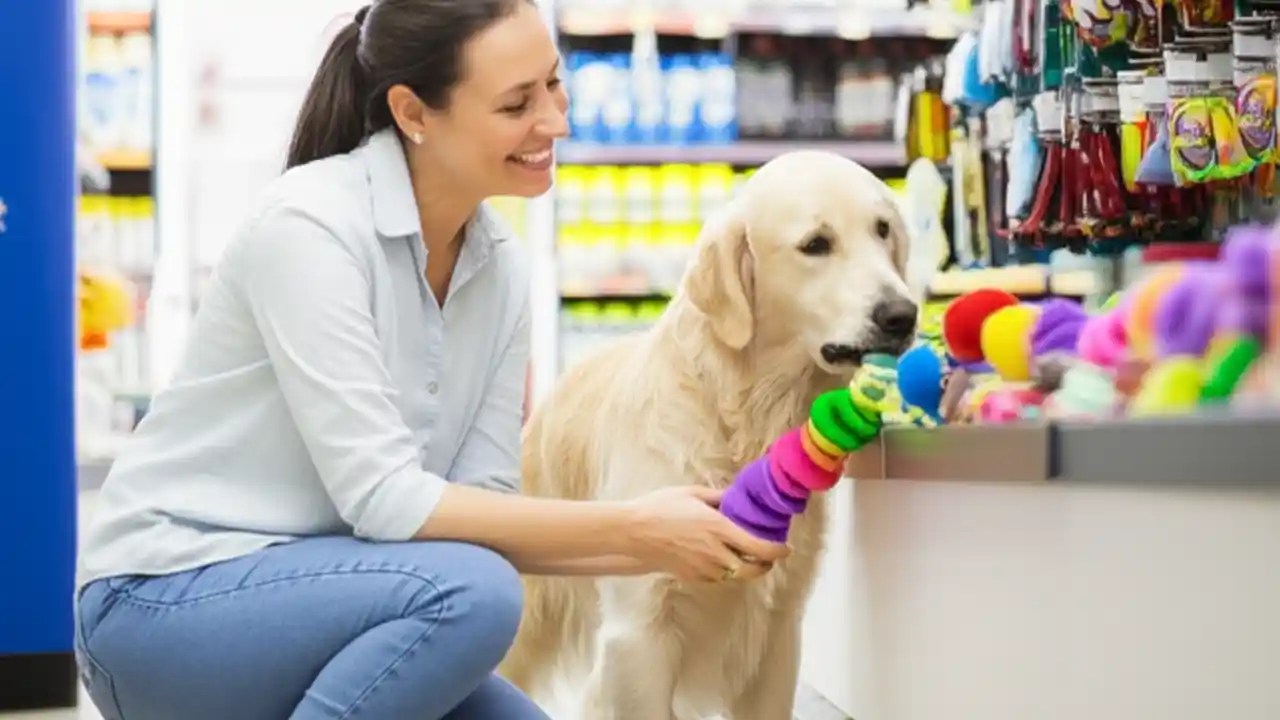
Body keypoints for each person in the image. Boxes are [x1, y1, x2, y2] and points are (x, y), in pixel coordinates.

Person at [72, 1, 789, 719]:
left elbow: (489, 512)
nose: (555, 122)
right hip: (162, 606)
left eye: (554, 84)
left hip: (340, 617)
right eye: (517, 103)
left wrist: (671, 543)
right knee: (476, 593)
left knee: (480, 591)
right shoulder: (311, 228)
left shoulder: (498, 268)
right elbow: (385, 499)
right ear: (413, 113)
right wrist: (633, 528)